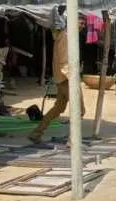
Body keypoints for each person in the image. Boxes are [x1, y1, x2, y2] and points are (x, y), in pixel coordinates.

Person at [29, 11, 85, 143]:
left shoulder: (67, 35)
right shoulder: (66, 37)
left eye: (84, 22)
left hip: (63, 77)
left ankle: (36, 133)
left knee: (58, 108)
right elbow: (64, 60)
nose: (83, 25)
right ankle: (73, 140)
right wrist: (72, 79)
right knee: (79, 110)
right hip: (67, 78)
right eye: (81, 22)